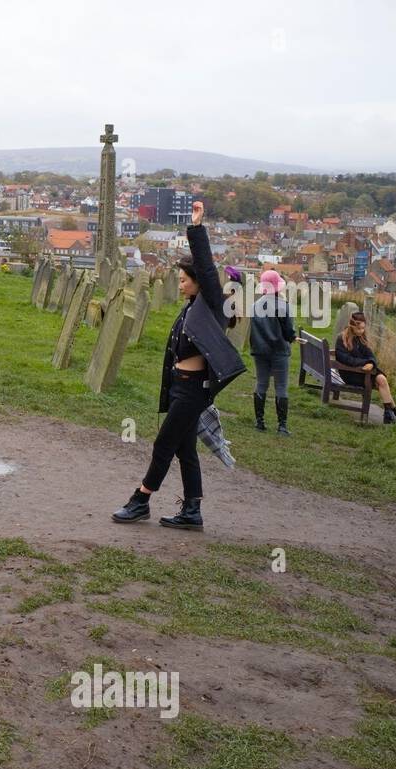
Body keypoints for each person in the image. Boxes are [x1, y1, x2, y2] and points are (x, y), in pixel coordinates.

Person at [112, 201, 245, 531]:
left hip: (193, 390)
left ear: (200, 282)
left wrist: (197, 229)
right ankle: (192, 510)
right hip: (179, 387)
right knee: (186, 450)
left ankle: (141, 500)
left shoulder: (211, 304)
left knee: (164, 444)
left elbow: (205, 262)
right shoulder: (191, 306)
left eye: (185, 279)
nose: (181, 283)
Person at [248, 269, 296, 434]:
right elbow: (289, 332)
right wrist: (292, 338)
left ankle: (259, 422)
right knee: (281, 386)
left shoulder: (254, 306)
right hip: (279, 351)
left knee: (261, 383)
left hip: (260, 350)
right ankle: (282, 426)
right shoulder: (283, 306)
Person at [335, 311, 396, 424]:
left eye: (363, 328)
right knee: (381, 381)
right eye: (359, 328)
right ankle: (393, 412)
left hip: (364, 372)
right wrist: (366, 362)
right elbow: (346, 360)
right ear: (352, 326)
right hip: (350, 374)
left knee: (382, 380)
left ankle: (390, 413)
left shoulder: (361, 338)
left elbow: (371, 355)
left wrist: (371, 363)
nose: (361, 331)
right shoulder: (341, 339)